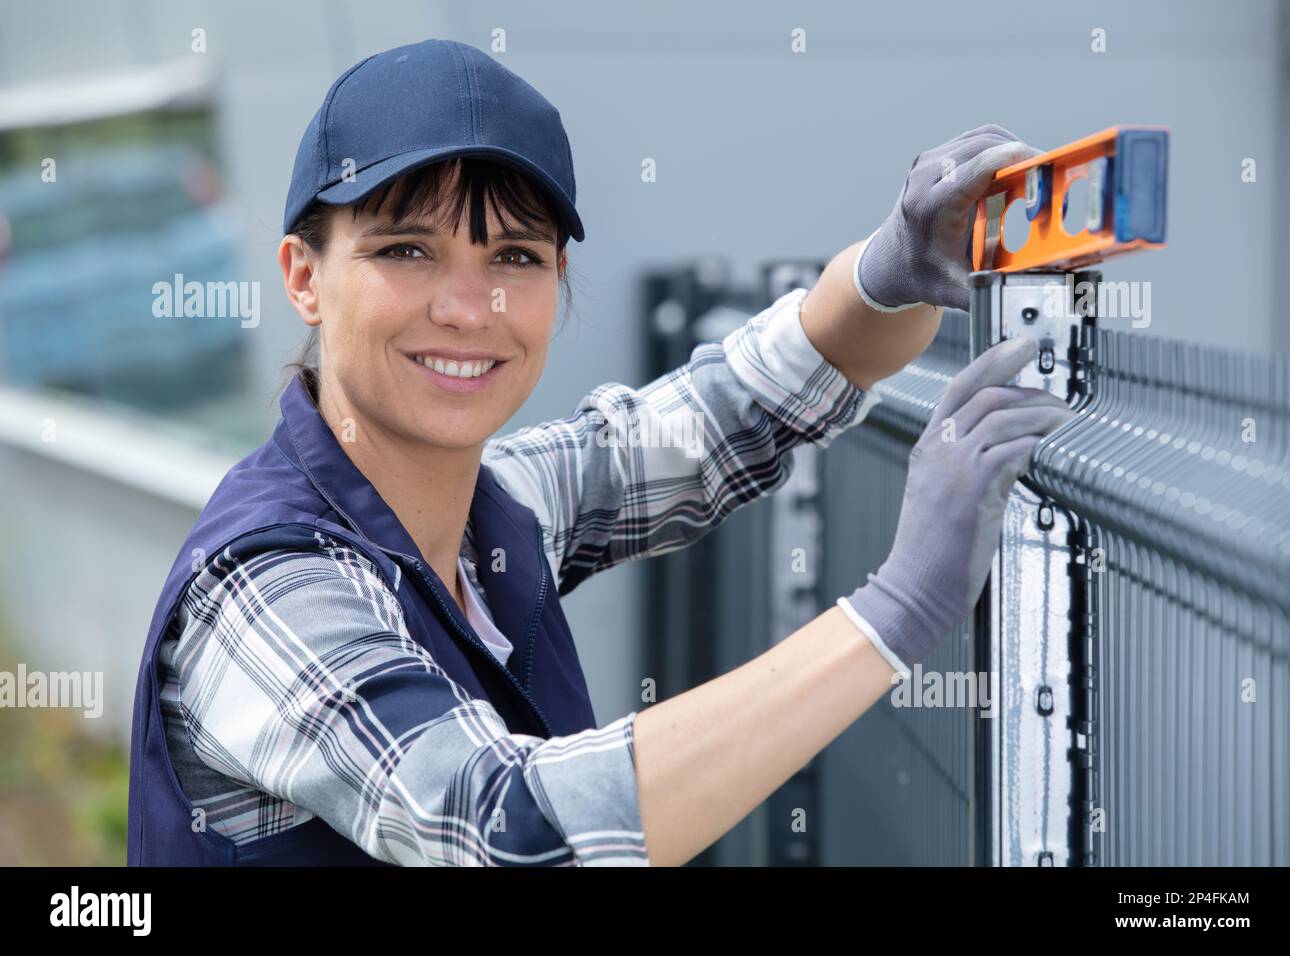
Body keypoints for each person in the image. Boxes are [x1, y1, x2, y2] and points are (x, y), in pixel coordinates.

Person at [126, 37, 1072, 867]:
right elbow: (505, 830)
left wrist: (894, 264)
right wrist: (899, 611)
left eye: (515, 257)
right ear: (304, 275)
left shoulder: (487, 510)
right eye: (406, 251)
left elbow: (730, 411)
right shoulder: (268, 587)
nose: (469, 307)